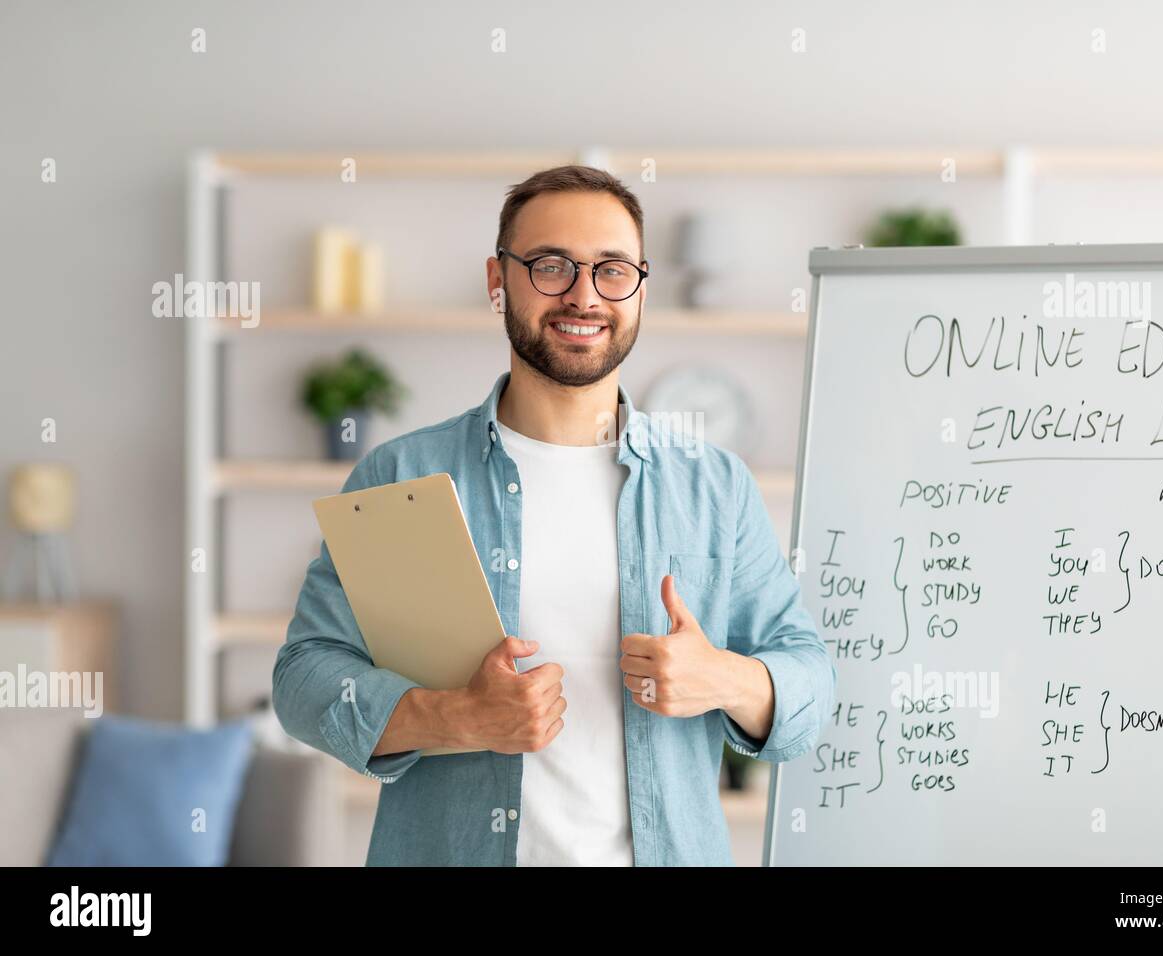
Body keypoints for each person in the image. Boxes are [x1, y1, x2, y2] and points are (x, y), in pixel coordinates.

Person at [272, 164, 835, 865]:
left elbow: (811, 682)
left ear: (640, 287)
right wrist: (456, 717)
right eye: (550, 266)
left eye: (612, 270)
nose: (584, 295)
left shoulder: (715, 487)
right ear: (497, 278)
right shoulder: (402, 475)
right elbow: (303, 677)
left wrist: (721, 678)